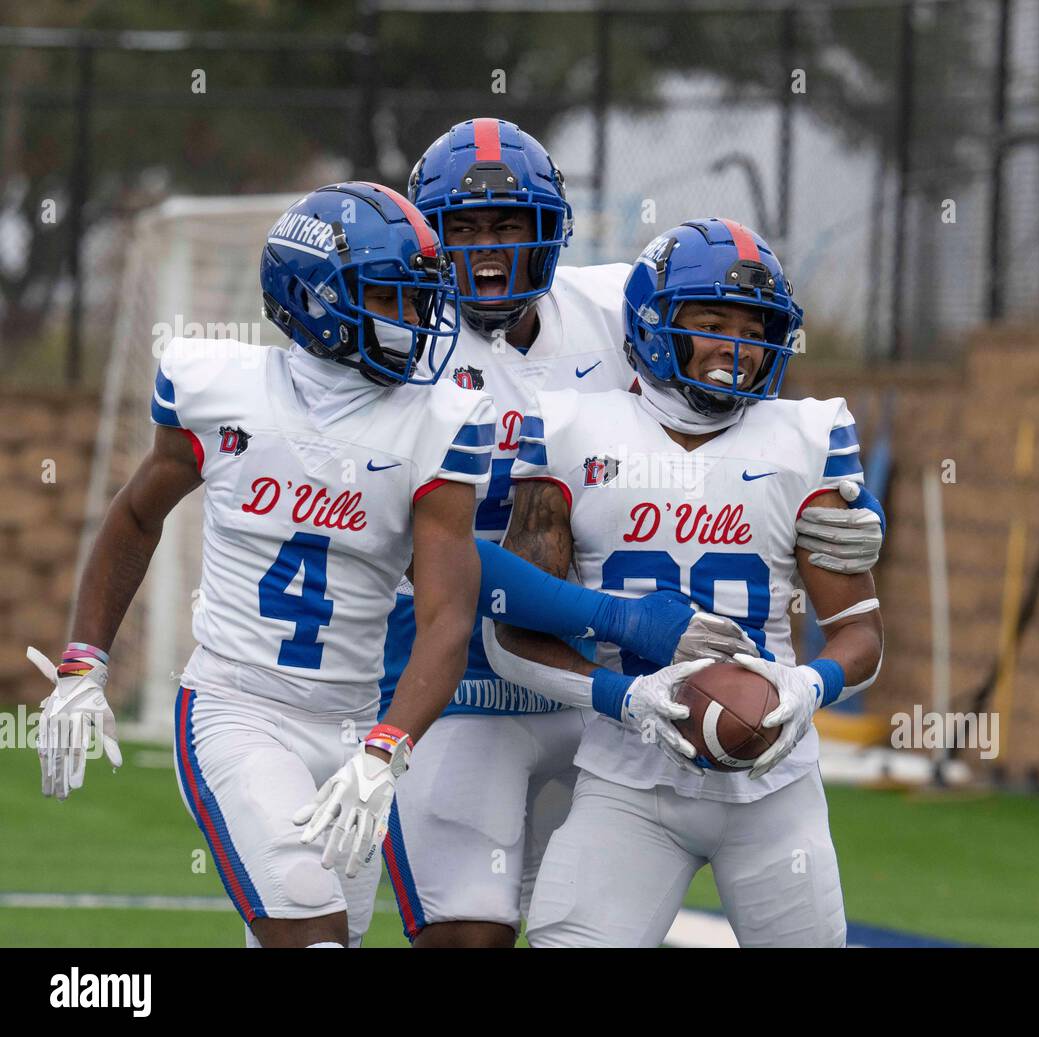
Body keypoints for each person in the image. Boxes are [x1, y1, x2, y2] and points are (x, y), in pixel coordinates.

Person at [379, 119, 882, 947]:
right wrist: (618, 621)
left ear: (552, 232)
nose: (486, 252)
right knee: (469, 929)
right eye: (462, 229)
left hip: (600, 687)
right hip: (460, 663)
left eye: (510, 225)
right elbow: (423, 549)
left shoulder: (617, 302)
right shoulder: (395, 344)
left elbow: (733, 351)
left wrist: (838, 508)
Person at [27, 182, 484, 948]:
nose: (418, 320)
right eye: (394, 297)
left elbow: (448, 613)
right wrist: (84, 660)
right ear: (316, 299)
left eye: (420, 299)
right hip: (237, 710)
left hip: (352, 726)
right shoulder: (224, 392)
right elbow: (137, 515)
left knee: (315, 933)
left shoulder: (436, 425)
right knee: (312, 933)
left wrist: (387, 743)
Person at [486, 218, 885, 947]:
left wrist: (807, 686)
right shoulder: (571, 427)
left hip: (774, 784)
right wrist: (624, 695)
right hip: (626, 776)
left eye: (754, 325)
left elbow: (862, 635)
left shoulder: (810, 436)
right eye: (712, 320)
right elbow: (511, 626)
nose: (737, 344)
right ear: (653, 324)